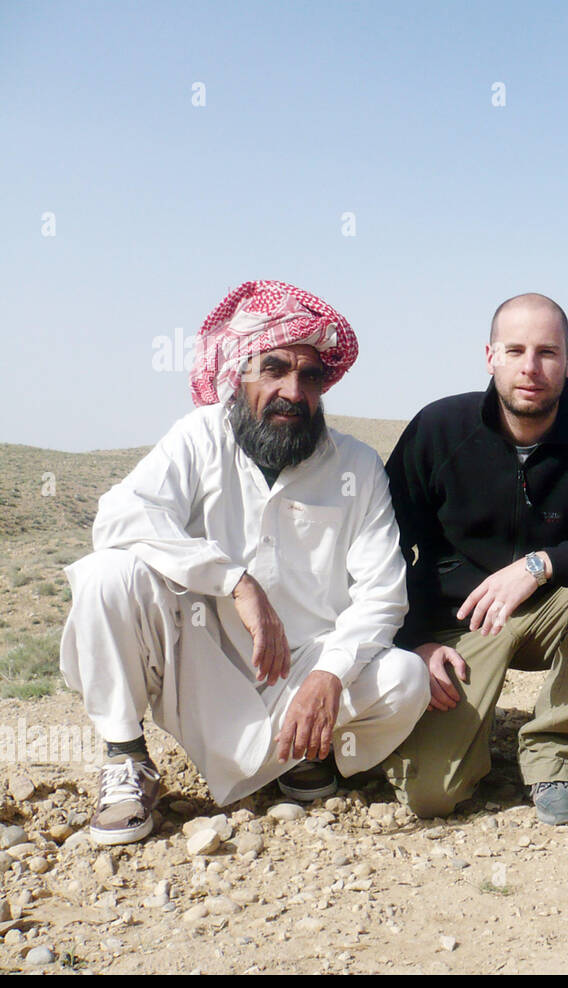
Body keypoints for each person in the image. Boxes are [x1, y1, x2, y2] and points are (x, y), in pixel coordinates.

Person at [60, 280, 428, 845]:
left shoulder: (356, 464)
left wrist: (329, 675)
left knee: (406, 678)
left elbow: (382, 593)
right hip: (202, 664)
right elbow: (120, 516)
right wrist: (233, 579)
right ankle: (126, 758)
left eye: (309, 376)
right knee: (110, 573)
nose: (293, 390)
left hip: (304, 674)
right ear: (239, 374)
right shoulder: (200, 437)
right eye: (274, 369)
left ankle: (302, 751)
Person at [382, 293, 568, 825]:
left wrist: (543, 564)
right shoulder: (438, 430)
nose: (530, 368)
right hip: (460, 622)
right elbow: (385, 547)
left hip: (551, 607)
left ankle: (555, 753)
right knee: (432, 797)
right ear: (490, 356)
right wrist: (412, 642)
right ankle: (472, 743)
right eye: (515, 350)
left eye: (547, 352)